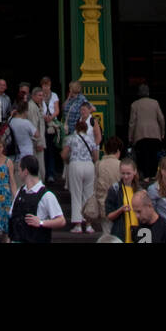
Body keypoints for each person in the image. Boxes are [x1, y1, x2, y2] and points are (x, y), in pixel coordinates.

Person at [62, 101, 101, 233]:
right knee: (88, 195)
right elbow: (96, 156)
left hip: (75, 165)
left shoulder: (72, 138)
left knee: (76, 195)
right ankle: (89, 224)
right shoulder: (90, 140)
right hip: (89, 165)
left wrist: (68, 159)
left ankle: (78, 225)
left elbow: (63, 154)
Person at [8, 156, 66, 242]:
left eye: (19, 169)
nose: (18, 173)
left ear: (26, 171)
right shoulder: (20, 192)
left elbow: (61, 221)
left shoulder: (47, 195)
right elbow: (12, 217)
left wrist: (41, 223)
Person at [127, 84, 165, 179]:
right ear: (148, 93)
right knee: (153, 154)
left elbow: (132, 122)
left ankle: (146, 175)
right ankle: (153, 174)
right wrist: (162, 132)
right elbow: (161, 118)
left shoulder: (134, 104)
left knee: (143, 155)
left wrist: (130, 136)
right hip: (155, 133)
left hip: (140, 134)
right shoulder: (155, 103)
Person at [103, 157, 140, 243]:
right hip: (120, 234)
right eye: (123, 173)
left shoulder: (140, 190)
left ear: (135, 172)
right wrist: (120, 210)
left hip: (138, 233)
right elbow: (109, 216)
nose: (125, 176)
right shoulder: (114, 189)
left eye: (128, 173)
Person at [95, 136, 123, 223]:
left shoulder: (99, 164)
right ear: (118, 151)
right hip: (119, 205)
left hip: (103, 204)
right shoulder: (122, 165)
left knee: (107, 233)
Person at [40, 76, 61, 182]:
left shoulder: (54, 95)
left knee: (51, 150)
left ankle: (51, 173)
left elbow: (57, 110)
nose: (45, 87)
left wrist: (51, 117)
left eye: (47, 85)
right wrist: (44, 117)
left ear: (50, 85)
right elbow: (39, 108)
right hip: (42, 124)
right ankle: (43, 174)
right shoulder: (39, 95)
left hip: (52, 124)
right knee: (43, 149)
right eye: (44, 85)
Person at [28, 86, 48, 168]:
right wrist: (39, 142)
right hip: (36, 142)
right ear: (33, 96)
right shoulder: (32, 107)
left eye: (42, 95)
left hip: (39, 139)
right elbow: (34, 126)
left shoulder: (38, 106)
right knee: (38, 165)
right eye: (39, 95)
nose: (41, 98)